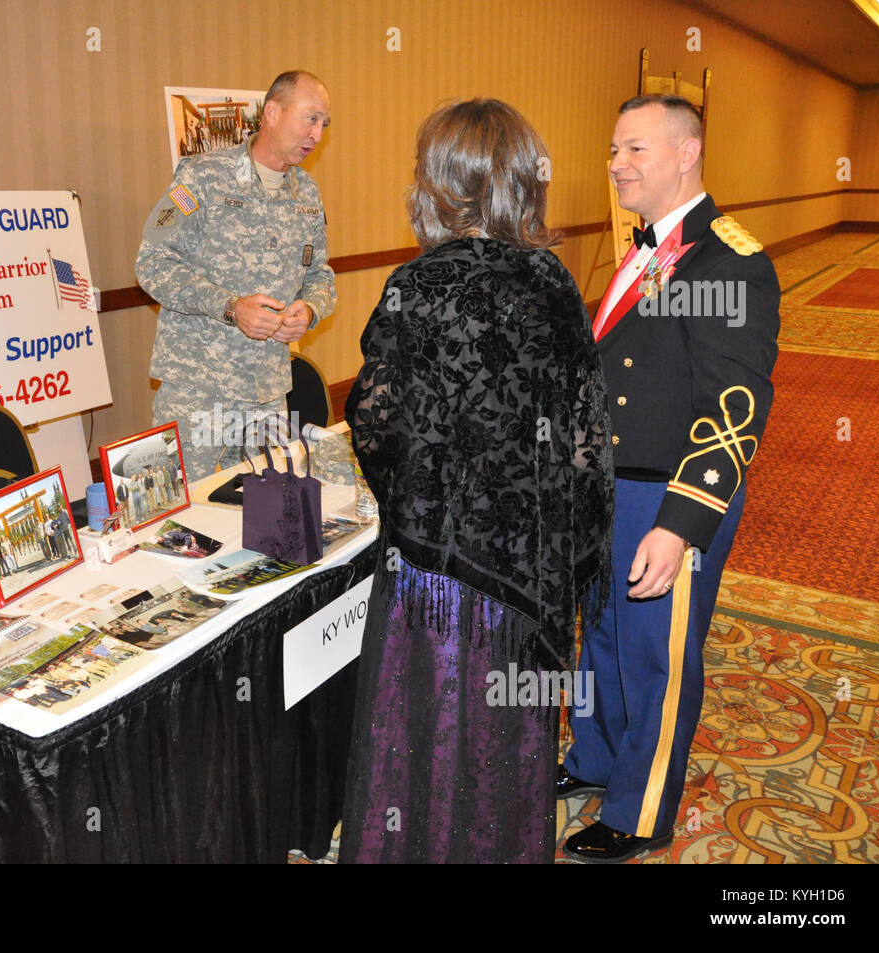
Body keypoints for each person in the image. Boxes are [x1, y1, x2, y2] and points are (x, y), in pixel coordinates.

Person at [340, 99, 614, 864]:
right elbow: (587, 439)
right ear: (523, 182)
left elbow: (376, 423)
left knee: (419, 725)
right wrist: (570, 552)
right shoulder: (554, 282)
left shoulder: (415, 285)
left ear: (438, 183)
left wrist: (420, 492)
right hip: (523, 576)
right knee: (503, 736)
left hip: (433, 571)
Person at [559, 95, 780, 863]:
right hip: (612, 487)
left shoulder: (730, 258)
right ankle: (594, 759)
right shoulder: (650, 248)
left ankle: (641, 808)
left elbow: (735, 404)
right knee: (607, 637)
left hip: (667, 492)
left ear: (687, 153)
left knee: (658, 654)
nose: (617, 163)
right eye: (614, 149)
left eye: (636, 150)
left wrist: (681, 521)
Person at [136, 70, 336, 481]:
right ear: (273, 113)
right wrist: (229, 307)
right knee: (178, 513)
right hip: (197, 390)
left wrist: (311, 310)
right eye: (310, 118)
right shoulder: (201, 176)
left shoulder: (308, 194)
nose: (317, 134)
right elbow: (152, 263)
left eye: (324, 123)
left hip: (266, 393)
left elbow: (321, 274)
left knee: (264, 514)